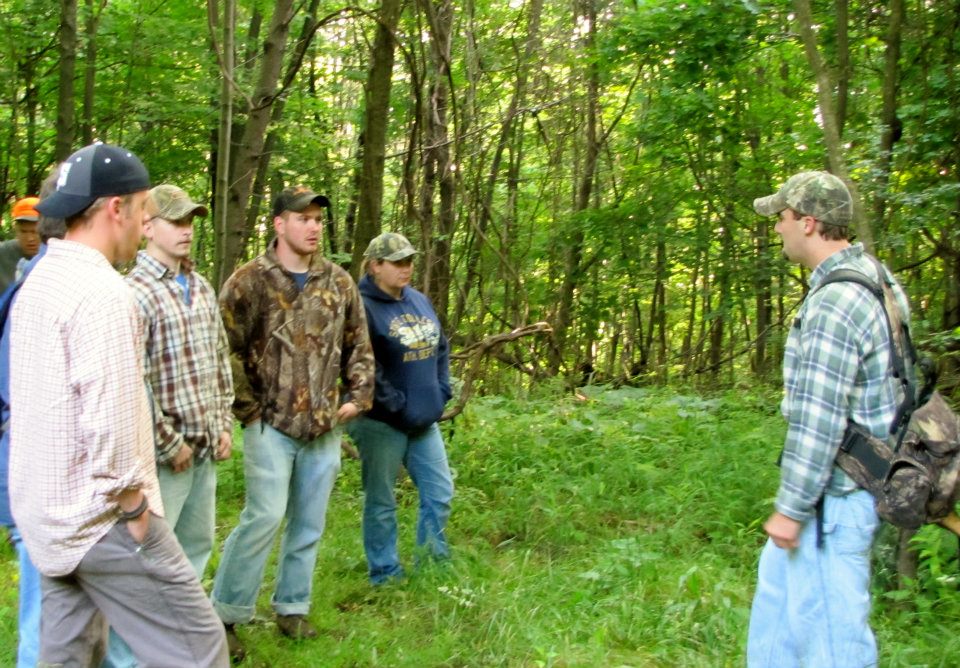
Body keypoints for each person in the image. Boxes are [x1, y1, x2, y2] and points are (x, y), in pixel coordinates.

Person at [7, 143, 228, 667]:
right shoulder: (103, 293)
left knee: (68, 655)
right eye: (143, 211)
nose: (144, 223)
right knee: (199, 647)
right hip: (100, 518)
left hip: (47, 516)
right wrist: (135, 509)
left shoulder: (39, 281)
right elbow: (108, 418)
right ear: (115, 209)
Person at [746, 171, 911, 667]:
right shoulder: (876, 277)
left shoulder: (836, 302)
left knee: (834, 643)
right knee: (776, 621)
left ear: (810, 223)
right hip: (849, 489)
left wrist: (792, 509)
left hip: (834, 502)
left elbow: (819, 422)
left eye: (783, 217)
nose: (777, 227)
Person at [211, 186, 375, 660]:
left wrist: (358, 395)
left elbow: (358, 344)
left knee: (309, 522)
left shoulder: (339, 282)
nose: (313, 226)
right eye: (303, 218)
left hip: (324, 426)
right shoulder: (249, 281)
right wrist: (249, 410)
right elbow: (226, 349)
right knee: (262, 517)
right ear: (279, 224)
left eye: (319, 219)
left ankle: (292, 608)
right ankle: (225, 615)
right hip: (271, 425)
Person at [102, 184, 236, 668]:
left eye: (190, 221)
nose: (185, 231)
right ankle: (125, 658)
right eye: (175, 221)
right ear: (147, 227)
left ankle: (173, 647)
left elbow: (219, 361)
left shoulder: (199, 286)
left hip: (203, 449)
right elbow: (132, 381)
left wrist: (223, 422)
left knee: (193, 551)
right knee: (144, 562)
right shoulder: (132, 293)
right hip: (161, 457)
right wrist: (168, 441)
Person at [347, 232, 455, 585]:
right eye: (397, 262)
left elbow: (440, 347)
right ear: (375, 265)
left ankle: (432, 563)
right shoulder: (360, 307)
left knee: (439, 493)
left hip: (424, 420)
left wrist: (441, 391)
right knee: (382, 501)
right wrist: (396, 405)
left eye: (409, 261)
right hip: (381, 423)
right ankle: (385, 572)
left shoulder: (419, 300)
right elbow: (361, 365)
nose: (406, 268)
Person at [0, 170, 66, 668]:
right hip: (39, 476)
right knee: (42, 618)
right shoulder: (35, 290)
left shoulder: (56, 282)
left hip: (64, 488)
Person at [0, 197, 42, 291]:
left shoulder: (53, 255)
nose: (30, 238)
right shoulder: (3, 252)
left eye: (34, 232)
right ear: (16, 231)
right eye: (23, 232)